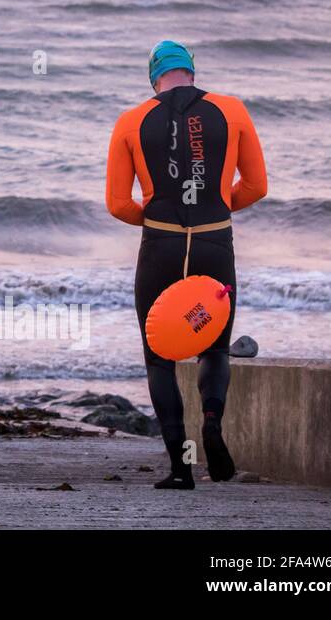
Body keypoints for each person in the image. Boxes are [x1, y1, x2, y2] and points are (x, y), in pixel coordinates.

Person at [106, 41, 267, 489]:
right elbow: (257, 185)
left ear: (153, 77)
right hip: (215, 244)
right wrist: (216, 207)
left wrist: (157, 218)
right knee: (214, 348)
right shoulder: (232, 110)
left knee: (159, 359)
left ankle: (181, 468)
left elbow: (118, 204)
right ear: (192, 72)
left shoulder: (130, 121)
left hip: (162, 248)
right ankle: (212, 422)